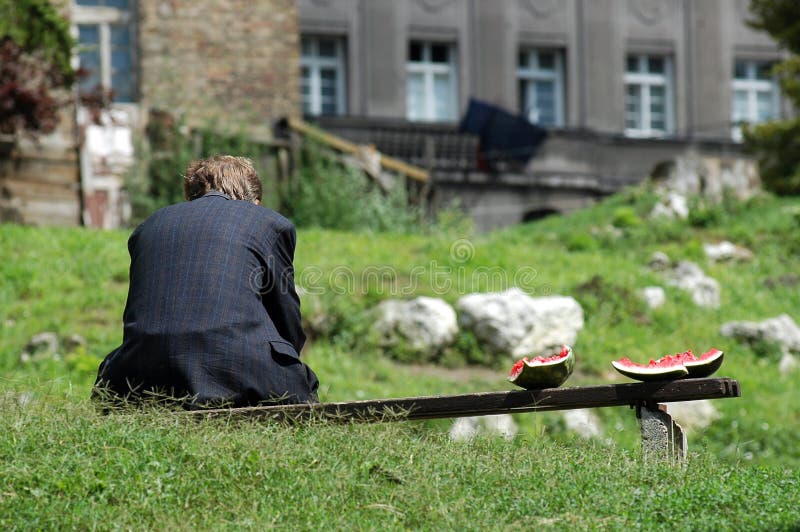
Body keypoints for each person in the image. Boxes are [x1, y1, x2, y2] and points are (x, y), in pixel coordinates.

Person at [93, 155, 319, 409]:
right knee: (304, 383)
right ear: (255, 202)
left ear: (191, 197)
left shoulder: (148, 227)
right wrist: (290, 365)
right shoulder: (270, 223)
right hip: (241, 371)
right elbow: (286, 318)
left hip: (136, 376)